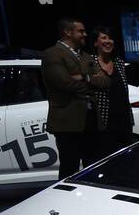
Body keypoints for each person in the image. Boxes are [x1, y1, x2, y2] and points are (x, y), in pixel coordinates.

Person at [40, 17, 110, 179]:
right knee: (69, 166)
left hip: (91, 119)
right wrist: (92, 81)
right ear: (67, 32)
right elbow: (65, 83)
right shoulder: (52, 54)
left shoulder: (86, 56)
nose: (85, 34)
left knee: (94, 165)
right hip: (67, 121)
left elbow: (105, 81)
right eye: (81, 31)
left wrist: (84, 77)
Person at [86, 25, 135, 165]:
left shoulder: (119, 63)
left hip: (124, 120)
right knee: (106, 162)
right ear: (96, 43)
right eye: (104, 38)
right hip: (102, 123)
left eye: (110, 38)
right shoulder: (90, 63)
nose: (108, 41)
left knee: (126, 160)